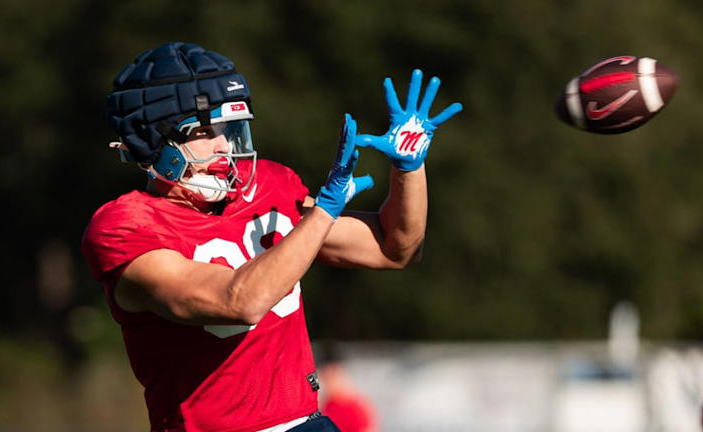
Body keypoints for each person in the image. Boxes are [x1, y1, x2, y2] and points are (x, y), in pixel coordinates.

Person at [81, 42, 462, 432]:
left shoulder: (269, 187)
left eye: (229, 130)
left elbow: (394, 248)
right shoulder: (126, 227)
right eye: (204, 131)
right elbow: (239, 301)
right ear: (154, 142)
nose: (223, 146)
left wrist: (408, 168)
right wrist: (324, 212)